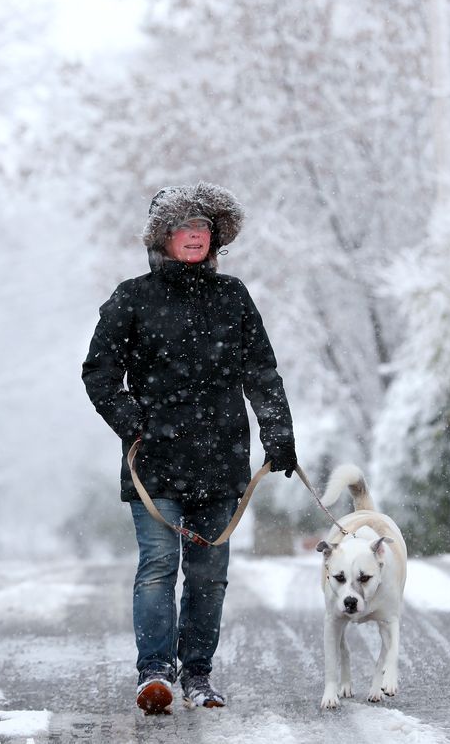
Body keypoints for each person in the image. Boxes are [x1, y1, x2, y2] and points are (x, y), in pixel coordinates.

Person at [82, 182, 297, 714]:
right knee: (158, 564)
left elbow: (261, 371)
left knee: (208, 574)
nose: (195, 235)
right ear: (163, 237)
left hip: (220, 460)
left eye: (202, 227)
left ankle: (198, 674)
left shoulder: (233, 297)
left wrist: (278, 432)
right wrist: (131, 421)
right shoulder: (132, 298)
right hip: (154, 461)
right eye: (184, 227)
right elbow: (99, 373)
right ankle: (154, 672)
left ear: (215, 237)